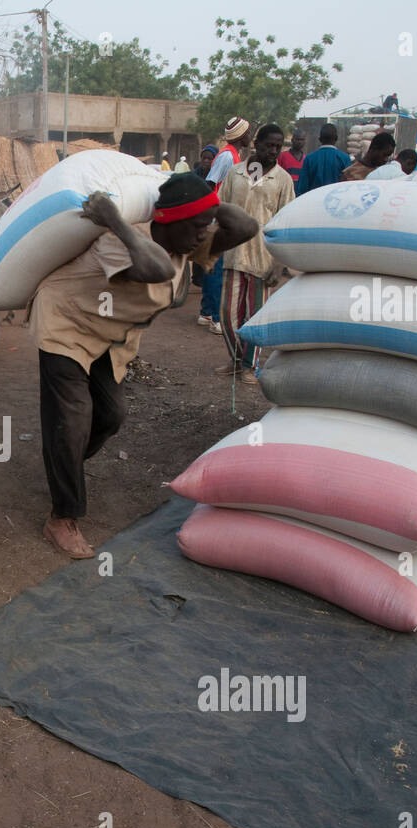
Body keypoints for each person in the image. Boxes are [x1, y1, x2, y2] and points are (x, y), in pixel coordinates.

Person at [32, 174, 257, 558]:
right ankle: (61, 517)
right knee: (73, 416)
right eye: (198, 227)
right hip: (66, 323)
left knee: (111, 415)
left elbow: (245, 226)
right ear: (170, 220)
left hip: (108, 339)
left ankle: (63, 462)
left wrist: (204, 202)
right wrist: (115, 219)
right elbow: (156, 270)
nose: (206, 235)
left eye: (207, 227)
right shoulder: (119, 239)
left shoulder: (186, 241)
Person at [216, 124, 294, 384]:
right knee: (228, 315)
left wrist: (279, 263)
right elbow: (222, 209)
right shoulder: (235, 173)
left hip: (263, 257)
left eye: (278, 146)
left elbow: (287, 222)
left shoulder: (282, 179)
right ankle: (236, 360)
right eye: (268, 145)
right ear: (256, 144)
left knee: (256, 316)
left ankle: (249, 366)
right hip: (234, 253)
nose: (273, 151)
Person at [200, 118, 252, 335]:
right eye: (249, 133)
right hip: (218, 219)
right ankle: (215, 318)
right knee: (217, 269)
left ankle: (206, 312)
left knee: (214, 267)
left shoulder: (233, 154)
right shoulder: (228, 156)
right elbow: (211, 183)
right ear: (241, 136)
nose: (251, 137)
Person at [297, 123, 351, 195]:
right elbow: (348, 187)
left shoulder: (309, 159)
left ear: (320, 139)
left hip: (313, 202)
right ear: (336, 138)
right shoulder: (345, 158)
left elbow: (302, 189)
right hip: (336, 202)